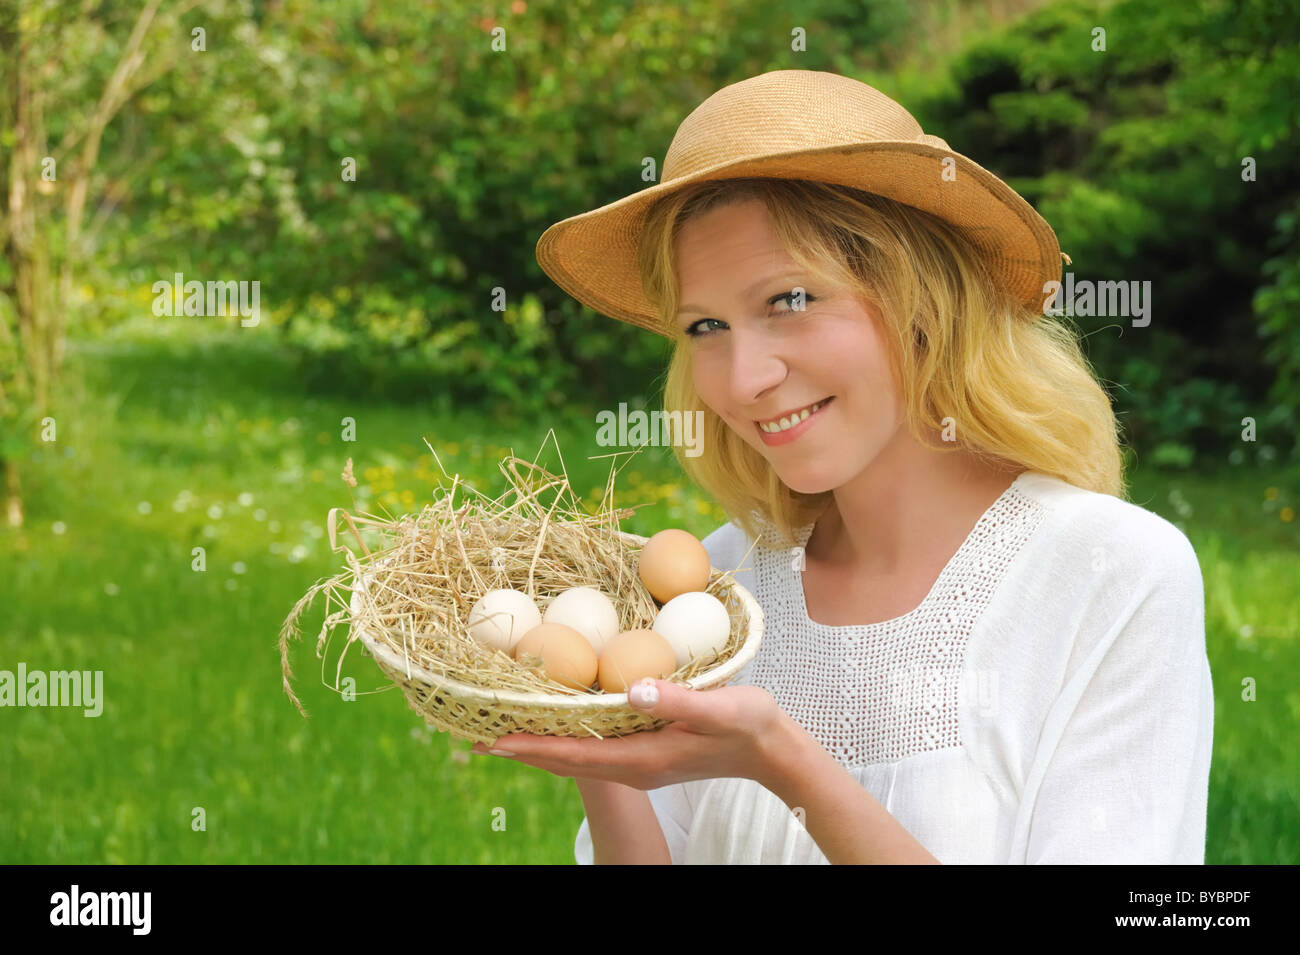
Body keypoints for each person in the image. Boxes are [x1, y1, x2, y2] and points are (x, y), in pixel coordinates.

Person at [476, 69, 1213, 864]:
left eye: (788, 300)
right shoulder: (716, 592)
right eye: (706, 325)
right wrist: (596, 731)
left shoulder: (1111, 577)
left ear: (923, 298)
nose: (743, 377)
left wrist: (786, 766)